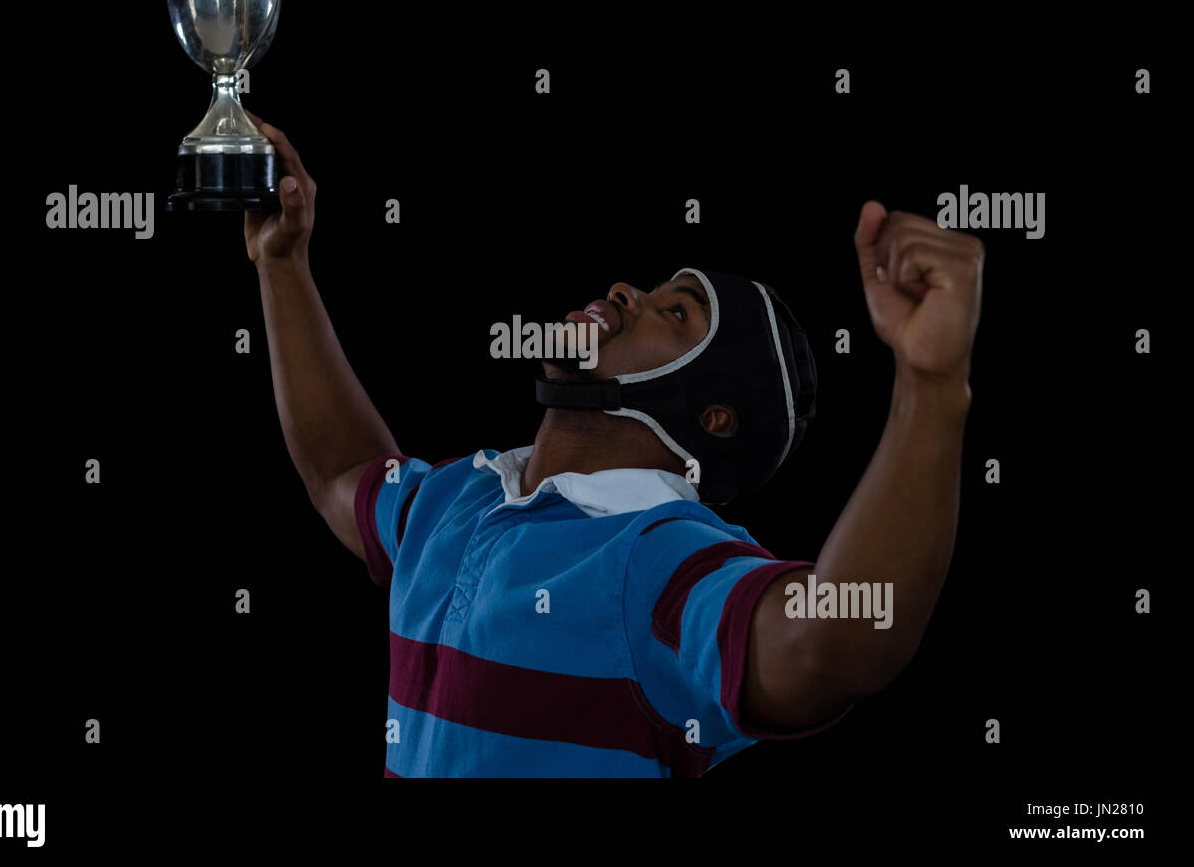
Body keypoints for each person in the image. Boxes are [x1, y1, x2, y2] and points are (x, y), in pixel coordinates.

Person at [243, 113, 985, 777]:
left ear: (712, 416)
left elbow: (837, 640)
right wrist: (282, 263)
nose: (628, 290)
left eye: (678, 312)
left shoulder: (664, 562)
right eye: (655, 289)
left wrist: (931, 386)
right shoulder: (452, 498)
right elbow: (341, 468)